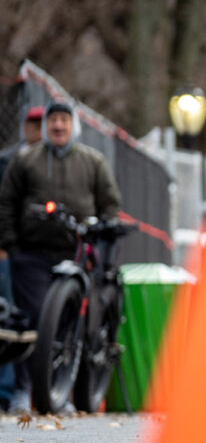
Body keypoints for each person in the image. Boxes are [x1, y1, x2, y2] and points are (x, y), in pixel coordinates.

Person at [0, 101, 122, 414]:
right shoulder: (26, 161)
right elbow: (7, 203)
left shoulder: (92, 162)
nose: (58, 125)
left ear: (73, 126)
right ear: (45, 126)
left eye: (64, 120)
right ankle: (24, 391)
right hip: (31, 256)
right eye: (53, 120)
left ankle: (59, 391)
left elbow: (109, 203)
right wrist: (12, 247)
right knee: (36, 319)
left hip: (77, 256)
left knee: (68, 323)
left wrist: (102, 231)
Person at [0, 106, 42, 409]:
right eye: (35, 124)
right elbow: (5, 205)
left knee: (22, 322)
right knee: (9, 322)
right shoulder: (9, 160)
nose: (39, 130)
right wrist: (7, 245)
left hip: (34, 254)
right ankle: (8, 391)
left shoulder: (55, 161)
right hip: (11, 252)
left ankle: (15, 390)